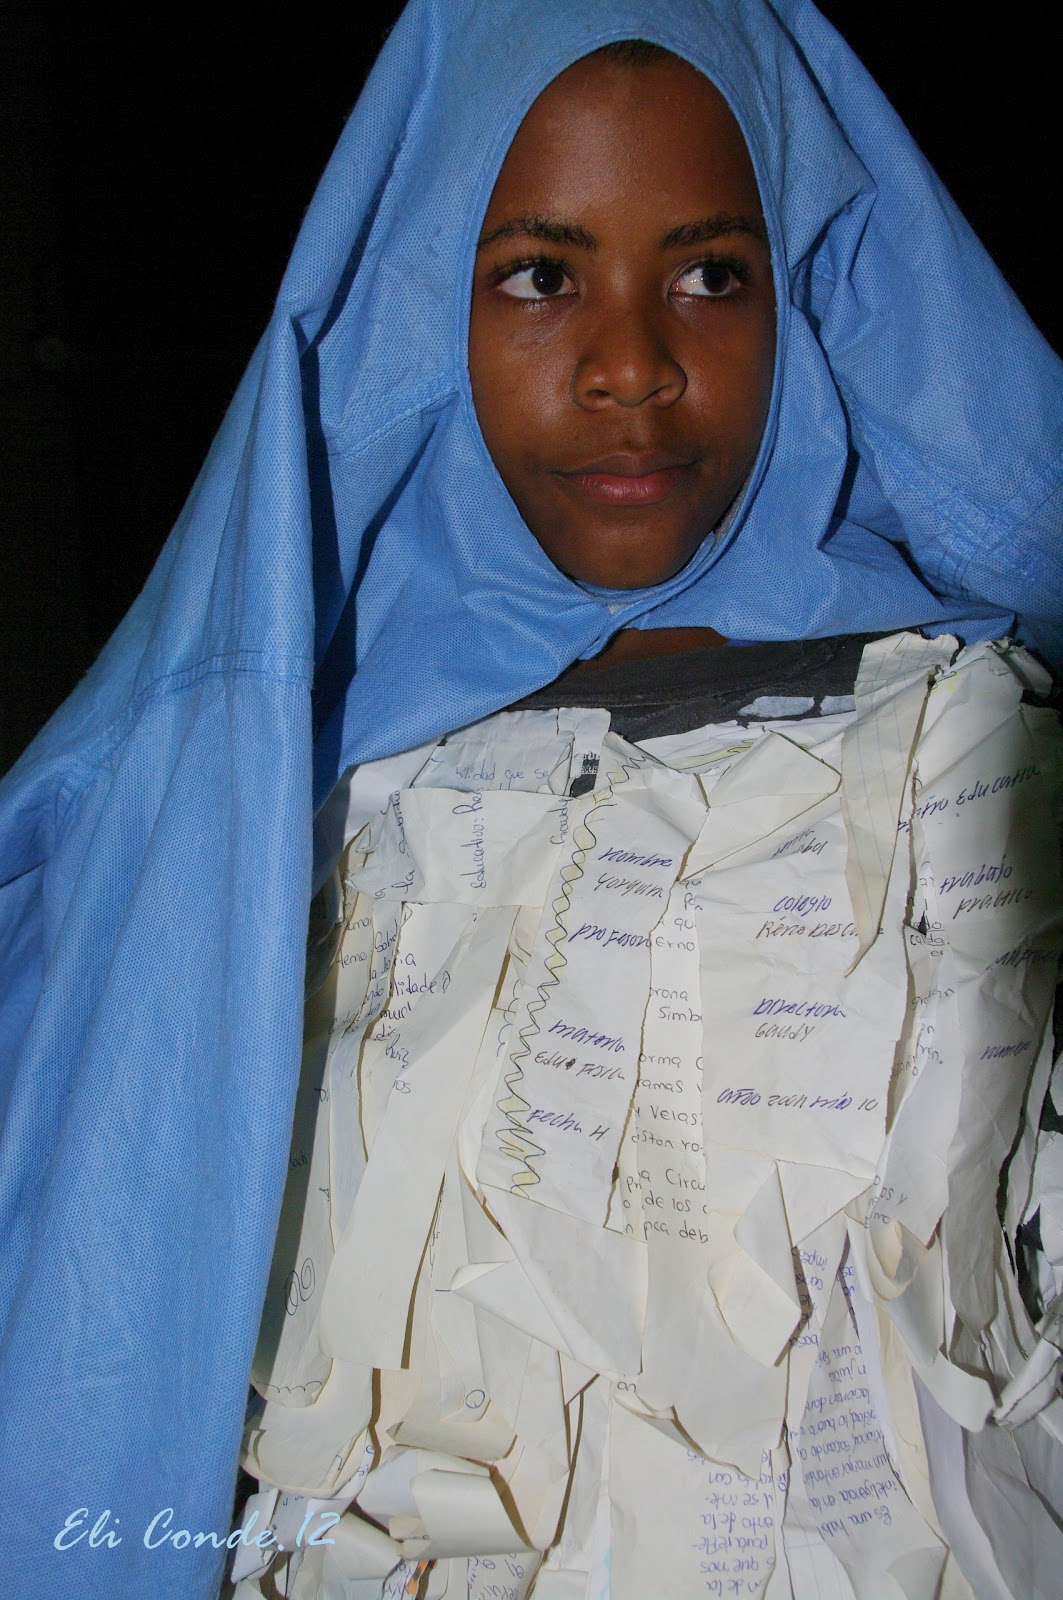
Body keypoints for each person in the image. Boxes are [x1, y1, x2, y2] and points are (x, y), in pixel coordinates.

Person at [0, 4, 1059, 1598]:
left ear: (807, 293)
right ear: (425, 305)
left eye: (711, 274)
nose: (631, 363)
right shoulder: (250, 801)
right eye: (539, 276)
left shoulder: (971, 745)